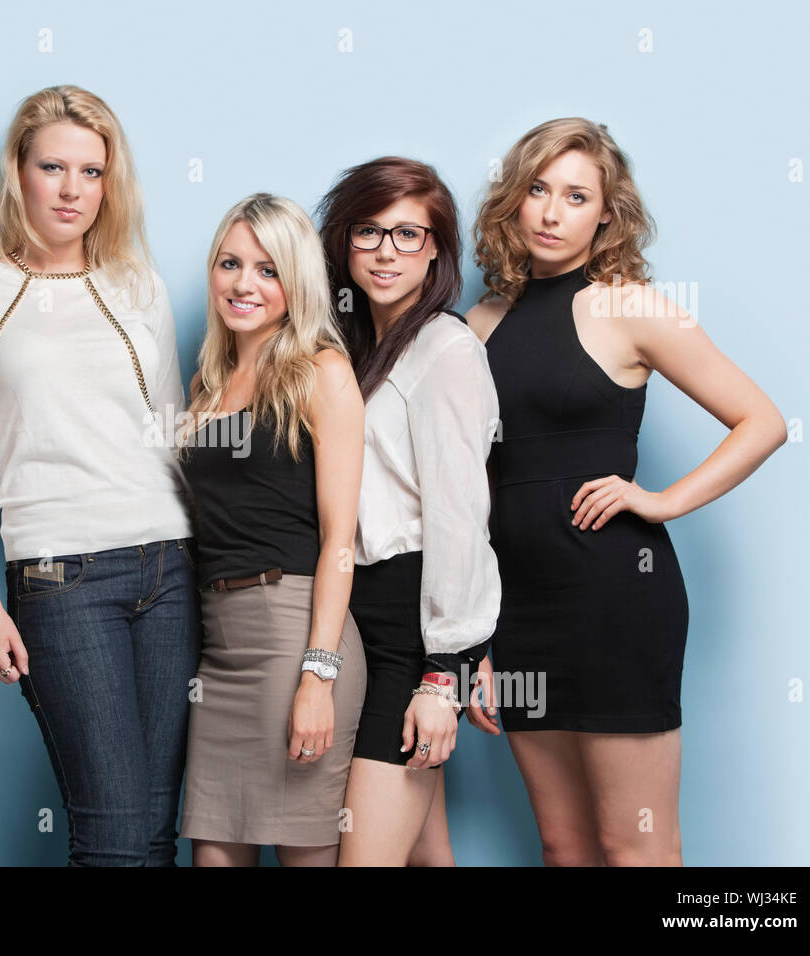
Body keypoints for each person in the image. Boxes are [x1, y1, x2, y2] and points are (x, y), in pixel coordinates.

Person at [465, 117, 787, 866]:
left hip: (615, 598)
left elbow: (762, 422)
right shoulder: (476, 325)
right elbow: (469, 492)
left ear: (606, 213)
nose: (551, 212)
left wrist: (662, 501)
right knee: (563, 844)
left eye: (576, 196)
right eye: (537, 189)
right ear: (513, 199)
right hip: (516, 609)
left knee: (634, 846)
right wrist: (475, 640)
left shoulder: (628, 305)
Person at [0, 86, 199, 866]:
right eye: (53, 167)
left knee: (152, 835)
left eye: (92, 171)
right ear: (19, 171)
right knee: (111, 836)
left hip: (170, 569)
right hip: (58, 576)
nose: (73, 189)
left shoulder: (136, 285)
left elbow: (171, 433)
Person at [316, 157, 501, 867]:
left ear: (435, 249)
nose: (387, 252)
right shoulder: (354, 349)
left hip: (412, 620)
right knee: (430, 856)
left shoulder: (446, 349)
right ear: (344, 241)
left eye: (408, 235)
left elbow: (460, 516)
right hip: (360, 611)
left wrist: (443, 673)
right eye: (369, 232)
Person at [176, 193, 366, 867]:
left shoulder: (322, 371)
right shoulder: (208, 383)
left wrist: (318, 676)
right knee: (212, 852)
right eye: (230, 264)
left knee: (303, 853)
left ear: (296, 282)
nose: (244, 284)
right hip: (216, 640)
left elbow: (341, 538)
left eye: (267, 269)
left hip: (294, 635)